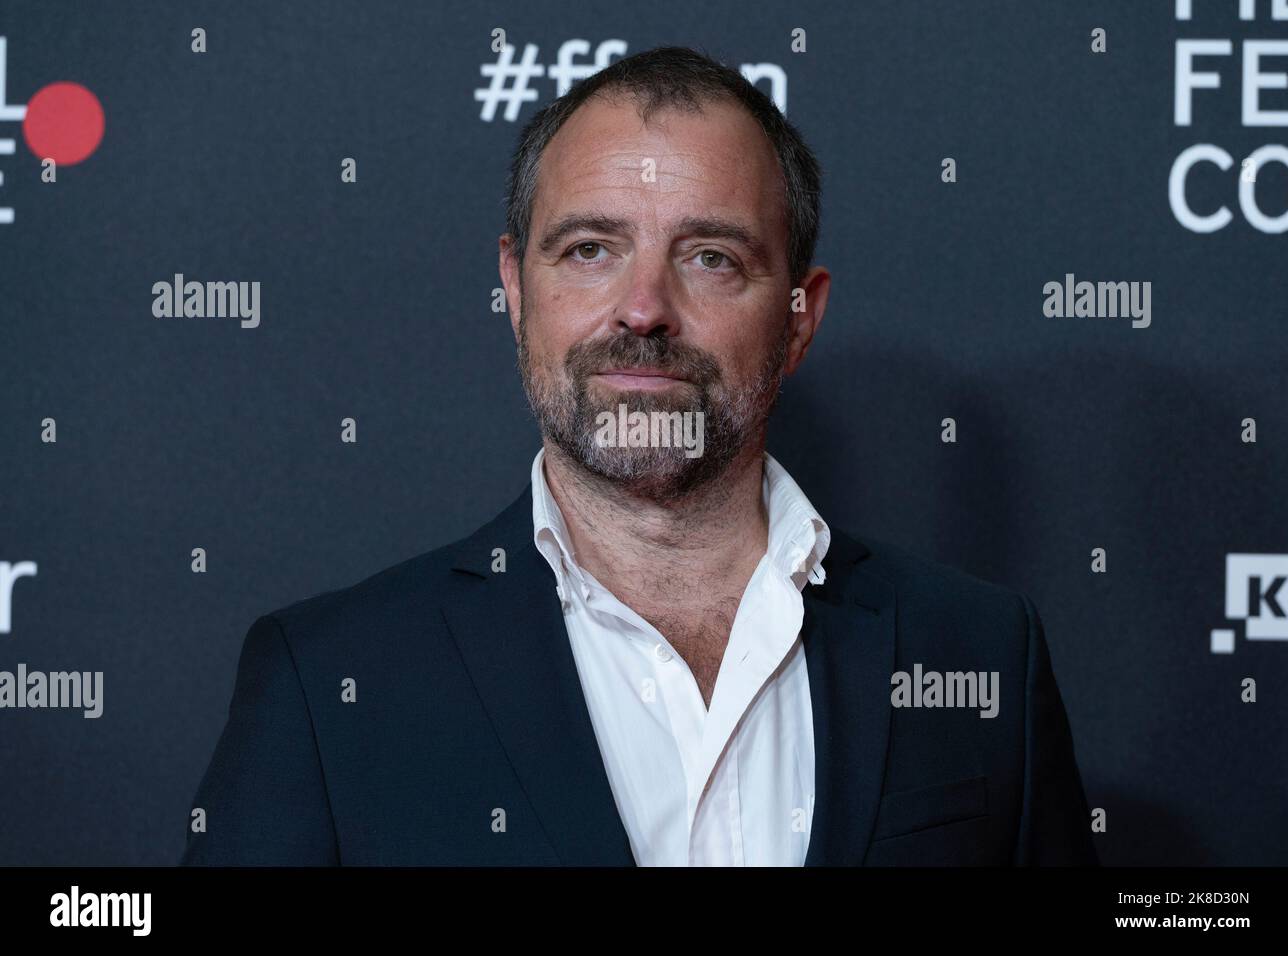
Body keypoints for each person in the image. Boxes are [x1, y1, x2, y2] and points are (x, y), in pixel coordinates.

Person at [180, 46, 1098, 867]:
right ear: (514, 288)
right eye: (589, 250)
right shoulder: (332, 683)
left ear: (800, 317)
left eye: (710, 257)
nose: (644, 307)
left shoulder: (978, 652)